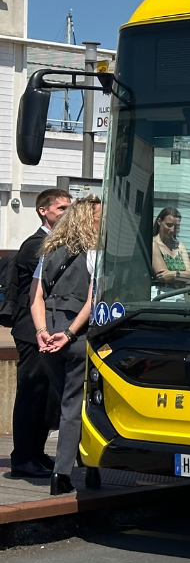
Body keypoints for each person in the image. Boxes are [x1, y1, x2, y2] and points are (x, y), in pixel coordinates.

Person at [29, 195, 100, 495]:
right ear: (89, 219)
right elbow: (92, 300)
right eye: (99, 215)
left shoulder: (49, 250)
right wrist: (69, 334)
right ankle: (64, 474)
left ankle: (88, 467)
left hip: (48, 338)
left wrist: (42, 332)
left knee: (65, 403)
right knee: (74, 406)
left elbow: (36, 298)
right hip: (74, 337)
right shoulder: (94, 252)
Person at [6, 188, 70, 479]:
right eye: (61, 209)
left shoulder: (55, 243)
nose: (67, 213)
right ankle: (22, 458)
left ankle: (35, 452)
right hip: (32, 330)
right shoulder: (36, 245)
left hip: (47, 330)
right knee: (31, 393)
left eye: (69, 208)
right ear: (43, 211)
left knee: (45, 395)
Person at [151, 207, 190, 288]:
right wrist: (182, 275)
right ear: (159, 221)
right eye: (169, 225)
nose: (172, 230)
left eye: (176, 226)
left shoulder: (179, 246)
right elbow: (164, 276)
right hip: (162, 293)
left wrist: (174, 274)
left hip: (180, 295)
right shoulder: (153, 245)